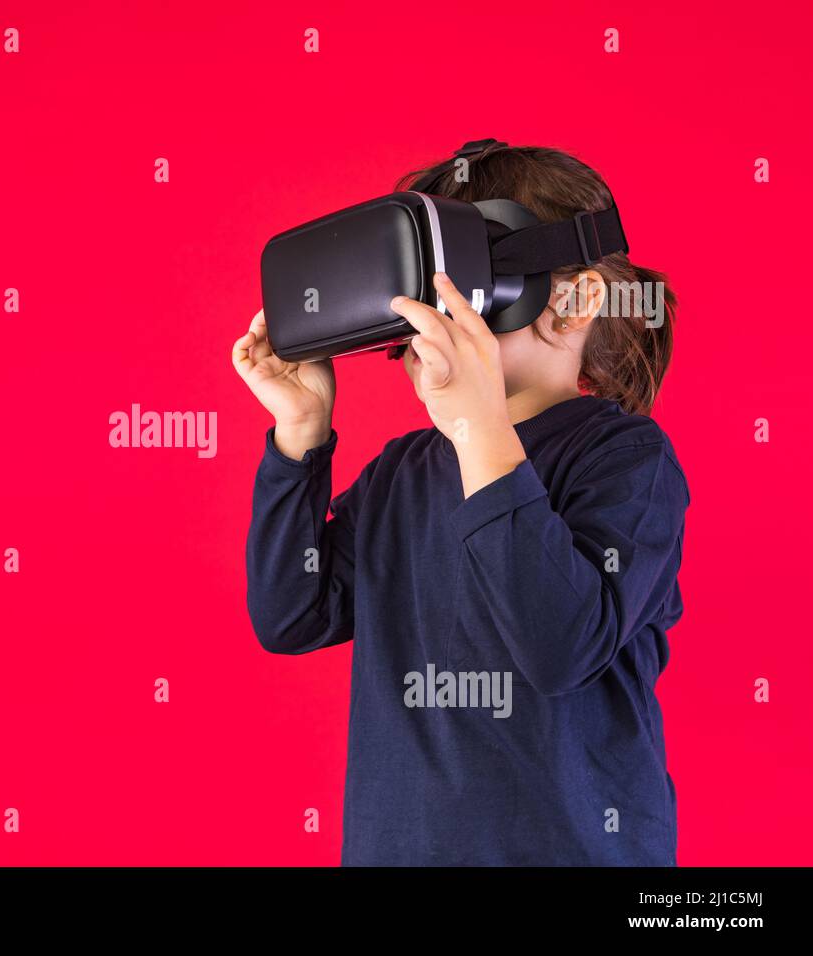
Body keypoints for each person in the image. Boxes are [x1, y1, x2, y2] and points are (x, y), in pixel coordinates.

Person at [231, 144, 689, 865]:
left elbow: (559, 646)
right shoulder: (404, 474)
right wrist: (300, 437)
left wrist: (479, 429)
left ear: (571, 303)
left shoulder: (626, 461)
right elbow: (291, 615)